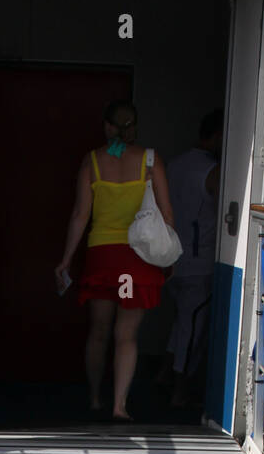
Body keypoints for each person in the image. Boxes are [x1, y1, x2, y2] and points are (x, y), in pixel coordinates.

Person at [56, 101, 175, 420]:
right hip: (138, 258)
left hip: (102, 257)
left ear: (108, 127)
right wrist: (167, 253)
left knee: (98, 331)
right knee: (127, 335)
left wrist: (66, 259)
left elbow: (81, 215)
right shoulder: (150, 161)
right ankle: (119, 405)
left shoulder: (92, 162)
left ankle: (95, 397)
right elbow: (166, 214)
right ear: (133, 127)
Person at [164, 108, 224, 407]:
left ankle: (164, 374)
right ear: (218, 135)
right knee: (192, 327)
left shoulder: (173, 165)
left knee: (181, 320)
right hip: (199, 261)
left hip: (172, 259)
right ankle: (179, 390)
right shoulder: (212, 172)